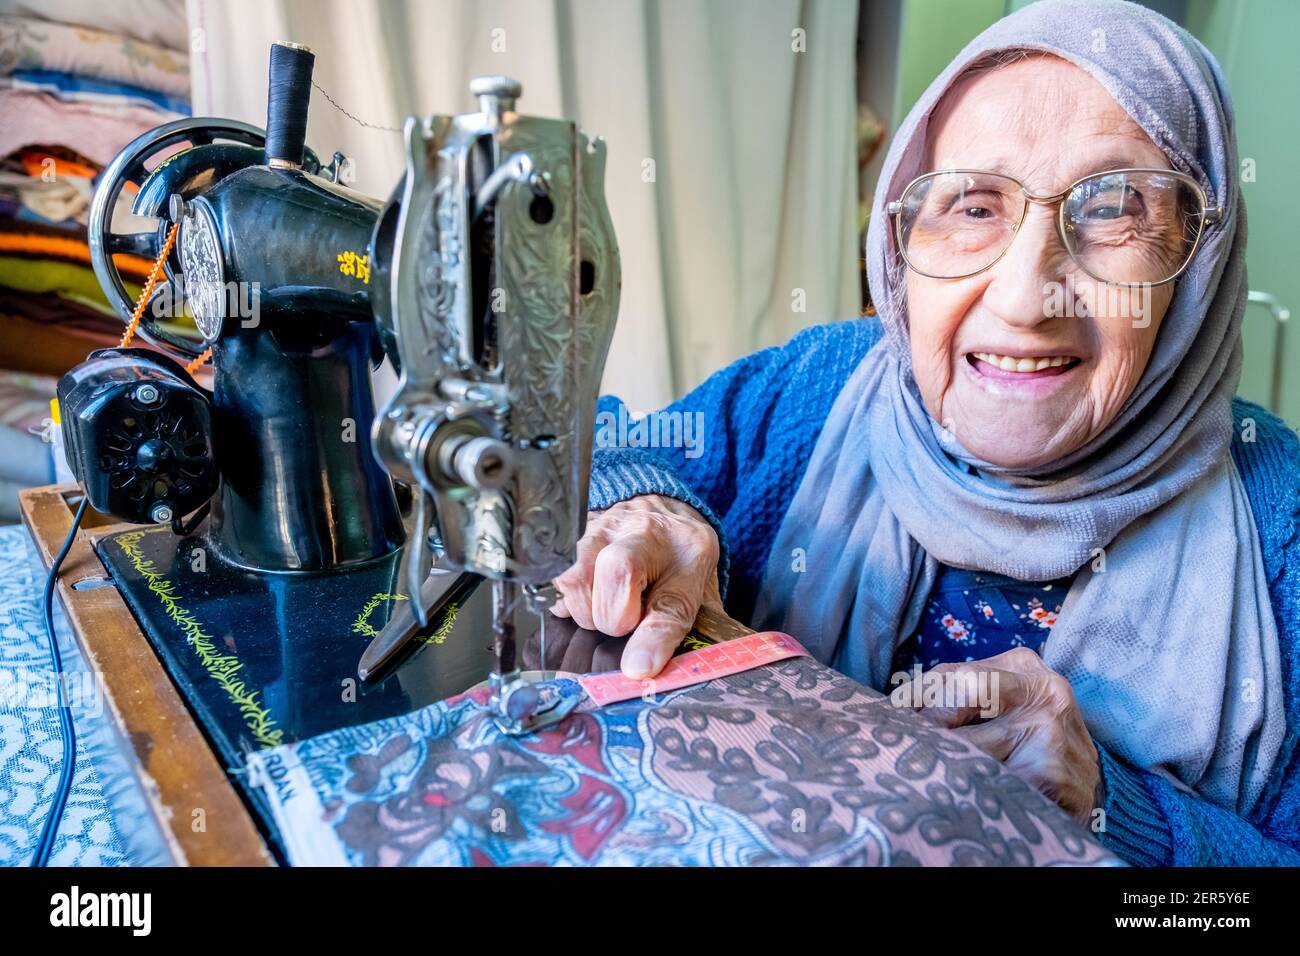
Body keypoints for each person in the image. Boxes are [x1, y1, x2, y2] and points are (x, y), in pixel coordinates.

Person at [551, 0, 1300, 866]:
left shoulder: (1279, 527)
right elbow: (605, 444)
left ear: (1198, 263)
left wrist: (1116, 808)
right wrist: (647, 509)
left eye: (1112, 207)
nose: (1025, 299)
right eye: (974, 205)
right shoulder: (816, 385)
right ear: (901, 246)